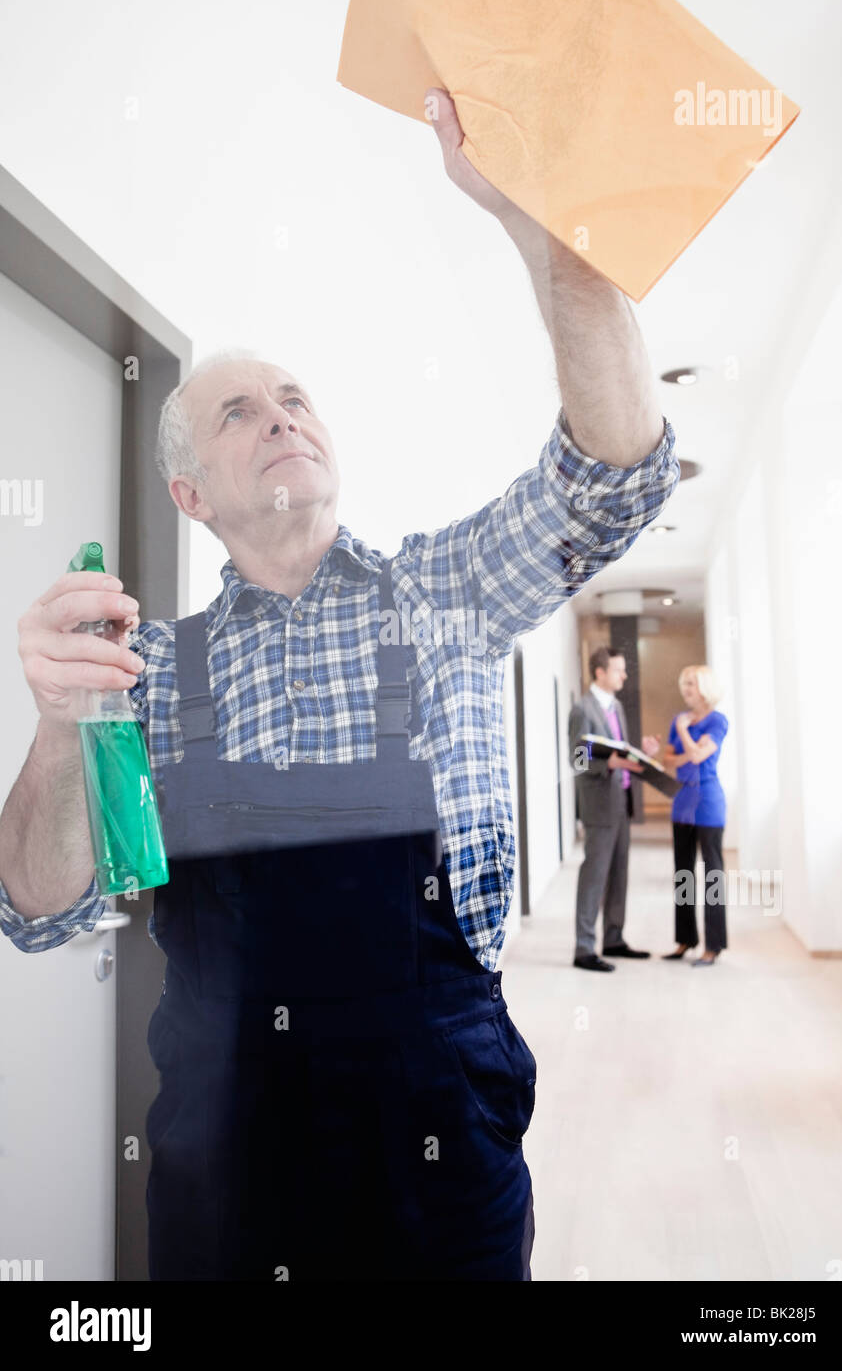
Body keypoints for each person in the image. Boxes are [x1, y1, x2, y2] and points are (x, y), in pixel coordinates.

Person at [0, 89, 679, 1281]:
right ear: (190, 496)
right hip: (224, 1166)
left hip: (438, 1146)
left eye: (294, 397)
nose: (279, 419)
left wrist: (552, 244)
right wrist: (60, 724)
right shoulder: (143, 673)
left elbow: (612, 479)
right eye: (236, 412)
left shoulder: (449, 591)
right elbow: (37, 909)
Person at [569, 647, 660, 972]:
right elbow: (578, 760)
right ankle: (583, 948)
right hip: (598, 805)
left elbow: (619, 750)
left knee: (619, 874)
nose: (624, 675)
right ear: (600, 673)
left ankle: (614, 938)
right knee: (594, 875)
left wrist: (641, 752)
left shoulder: (616, 707)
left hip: (621, 802)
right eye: (619, 670)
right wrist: (610, 761)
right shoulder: (582, 709)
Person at [661, 665, 729, 967]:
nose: (686, 689)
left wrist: (684, 732)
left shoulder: (717, 720)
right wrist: (688, 747)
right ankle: (685, 940)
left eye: (691, 683)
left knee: (712, 875)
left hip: (709, 803)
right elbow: (668, 761)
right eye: (684, 683)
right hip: (683, 801)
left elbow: (699, 756)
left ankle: (713, 946)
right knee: (683, 874)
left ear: (705, 687)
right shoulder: (679, 721)